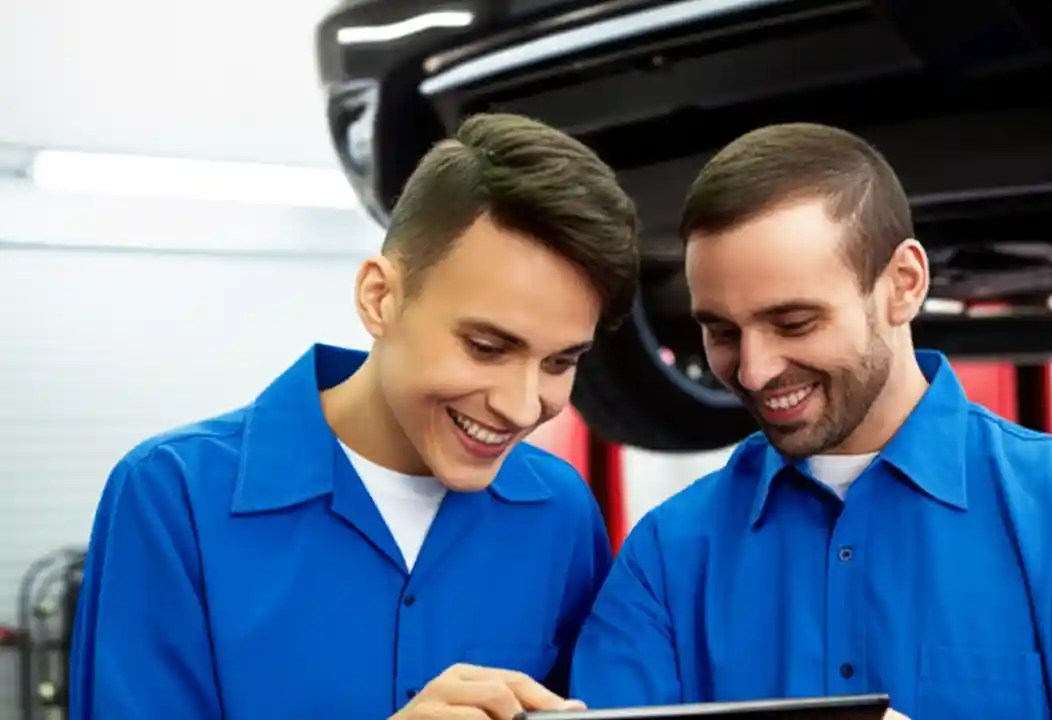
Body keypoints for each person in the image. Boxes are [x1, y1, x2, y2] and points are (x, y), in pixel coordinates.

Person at [569, 123, 1052, 719]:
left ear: (904, 284)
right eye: (720, 330)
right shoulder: (665, 559)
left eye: (794, 322)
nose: (753, 370)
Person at [69, 112, 640, 719]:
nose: (523, 405)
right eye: (486, 347)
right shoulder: (174, 497)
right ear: (379, 297)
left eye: (559, 362)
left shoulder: (561, 514)